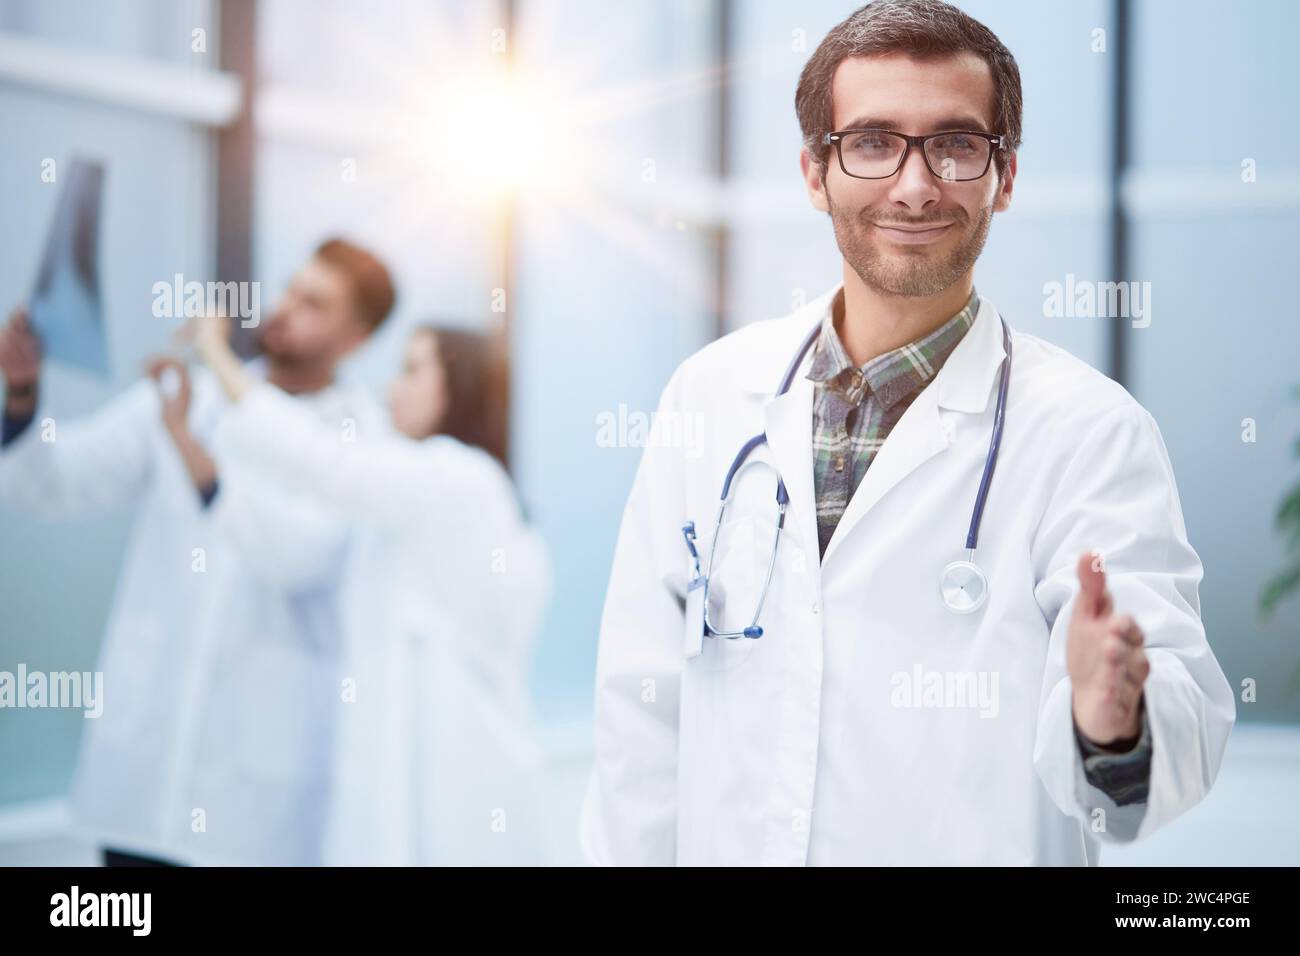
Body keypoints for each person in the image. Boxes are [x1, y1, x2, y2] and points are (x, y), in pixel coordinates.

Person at [580, 0, 1235, 866]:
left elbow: (1174, 721)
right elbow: (640, 714)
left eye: (957, 144)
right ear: (816, 173)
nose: (916, 184)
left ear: (1005, 177)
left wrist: (1110, 725)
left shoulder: (1090, 431)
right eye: (873, 141)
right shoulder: (710, 395)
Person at [0, 238, 396, 866]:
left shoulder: (363, 440)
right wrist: (22, 393)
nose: (288, 307)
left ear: (357, 339)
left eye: (315, 303)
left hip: (254, 807)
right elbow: (51, 484)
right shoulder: (194, 396)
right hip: (144, 772)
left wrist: (191, 446)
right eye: (292, 288)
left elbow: (299, 553)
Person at [189, 318, 553, 865]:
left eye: (411, 371)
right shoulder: (415, 495)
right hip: (421, 782)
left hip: (460, 783)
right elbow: (299, 541)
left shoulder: (461, 479)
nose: (390, 390)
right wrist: (206, 472)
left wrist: (217, 357)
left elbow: (321, 463)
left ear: (461, 387)